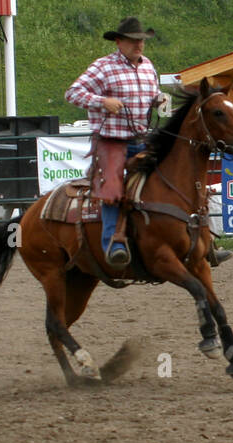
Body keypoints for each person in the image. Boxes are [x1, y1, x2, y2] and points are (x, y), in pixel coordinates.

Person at [65, 17, 162, 267]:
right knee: (111, 188)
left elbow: (152, 95)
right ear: (119, 42)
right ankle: (113, 243)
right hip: (111, 140)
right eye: (133, 40)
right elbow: (73, 93)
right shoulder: (103, 67)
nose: (139, 45)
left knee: (170, 174)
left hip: (142, 136)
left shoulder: (148, 66)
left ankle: (181, 234)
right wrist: (102, 102)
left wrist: (159, 100)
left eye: (141, 40)